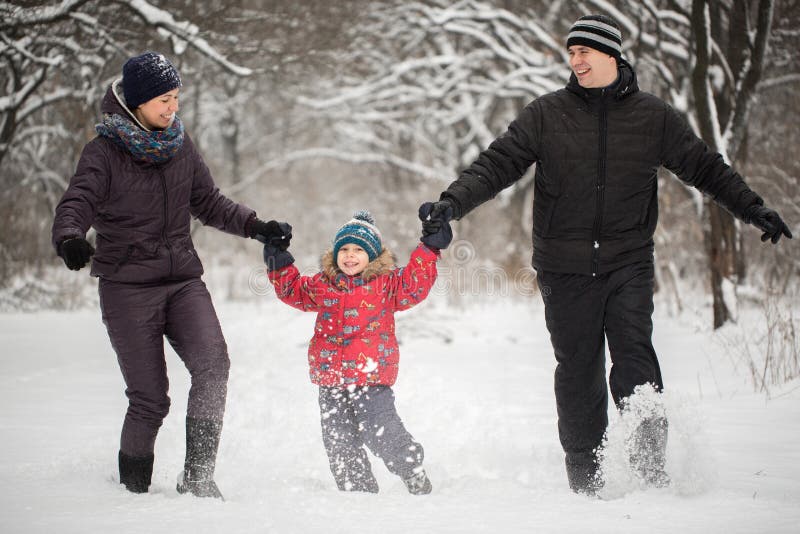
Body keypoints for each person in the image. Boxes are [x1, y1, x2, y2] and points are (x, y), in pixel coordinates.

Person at [420, 15, 792, 495]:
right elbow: (497, 164)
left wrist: (753, 208)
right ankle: (585, 478)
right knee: (578, 369)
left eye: (585, 52)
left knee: (635, 359)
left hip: (628, 260)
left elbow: (705, 167)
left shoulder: (653, 117)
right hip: (562, 263)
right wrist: (452, 203)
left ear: (612, 56)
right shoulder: (546, 114)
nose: (575, 60)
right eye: (571, 53)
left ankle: (650, 471)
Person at [51, 51, 291, 499]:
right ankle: (131, 493)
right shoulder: (103, 153)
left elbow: (210, 202)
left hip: (182, 281)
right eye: (164, 98)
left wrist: (257, 226)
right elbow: (76, 202)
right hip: (126, 288)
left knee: (213, 365)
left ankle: (198, 477)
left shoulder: (179, 144)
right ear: (138, 101)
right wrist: (70, 237)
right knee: (150, 399)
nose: (172, 107)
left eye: (176, 97)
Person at [261, 209, 452, 494]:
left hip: (370, 377)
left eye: (359, 249)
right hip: (331, 379)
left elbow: (416, 282)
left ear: (373, 255)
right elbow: (294, 291)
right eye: (344, 249)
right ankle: (357, 492)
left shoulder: (387, 284)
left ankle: (411, 470)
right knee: (339, 441)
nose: (350, 255)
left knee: (382, 430)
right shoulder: (324, 285)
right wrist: (278, 260)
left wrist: (429, 247)